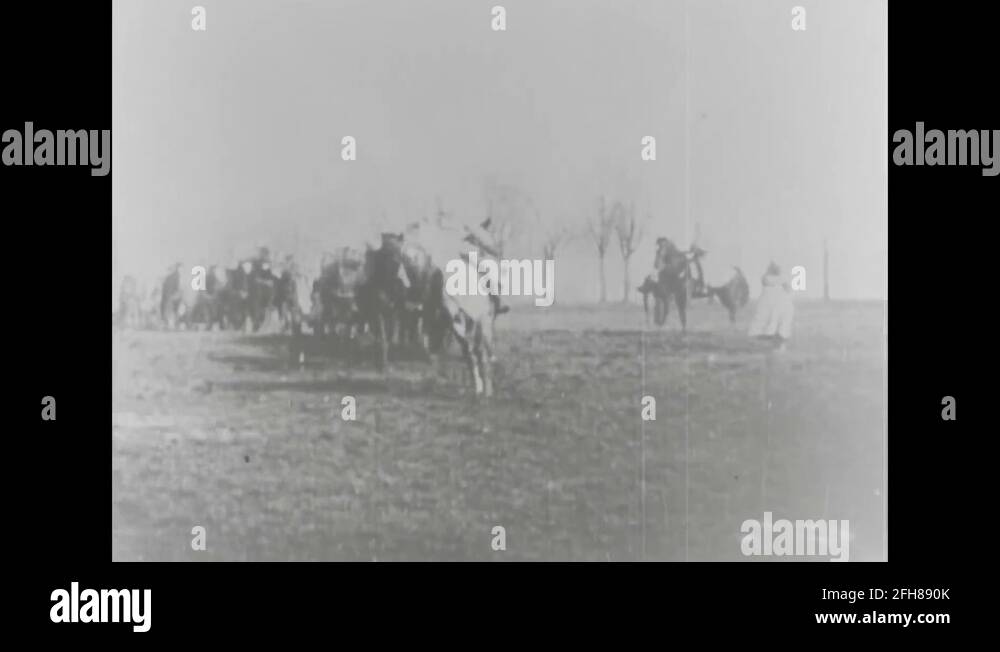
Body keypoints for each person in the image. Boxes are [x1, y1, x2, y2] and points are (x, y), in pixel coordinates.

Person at [747, 261, 794, 351]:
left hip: (773, 301)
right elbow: (788, 289)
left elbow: (788, 288)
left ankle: (772, 336)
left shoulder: (768, 278)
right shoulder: (772, 278)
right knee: (769, 317)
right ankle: (772, 336)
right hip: (771, 301)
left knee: (770, 317)